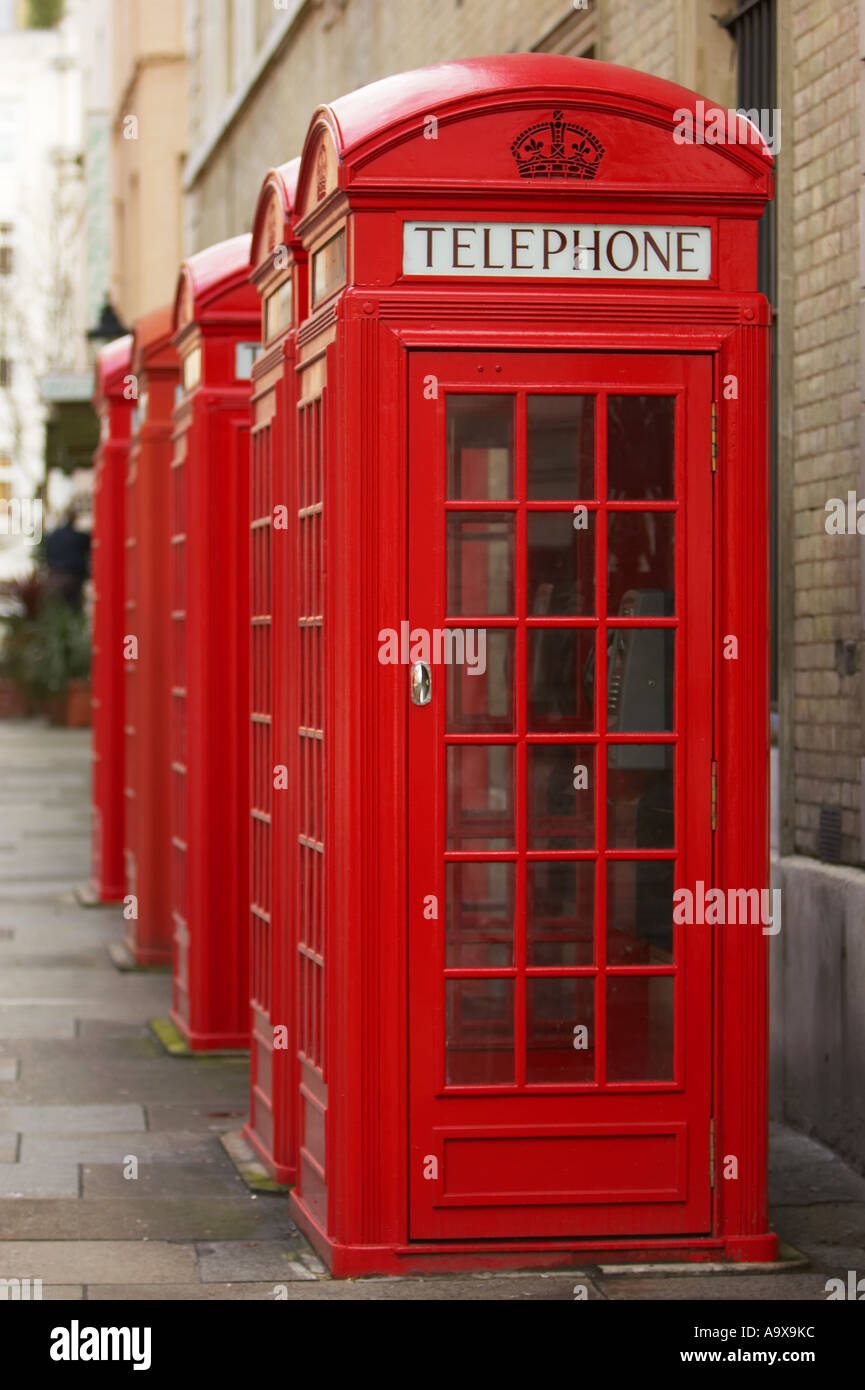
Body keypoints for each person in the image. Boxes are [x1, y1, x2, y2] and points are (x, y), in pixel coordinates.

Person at [43, 505, 91, 610]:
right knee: (74, 608)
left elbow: (46, 553)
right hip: (74, 577)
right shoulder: (79, 537)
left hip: (56, 576)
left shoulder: (53, 536)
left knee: (57, 609)